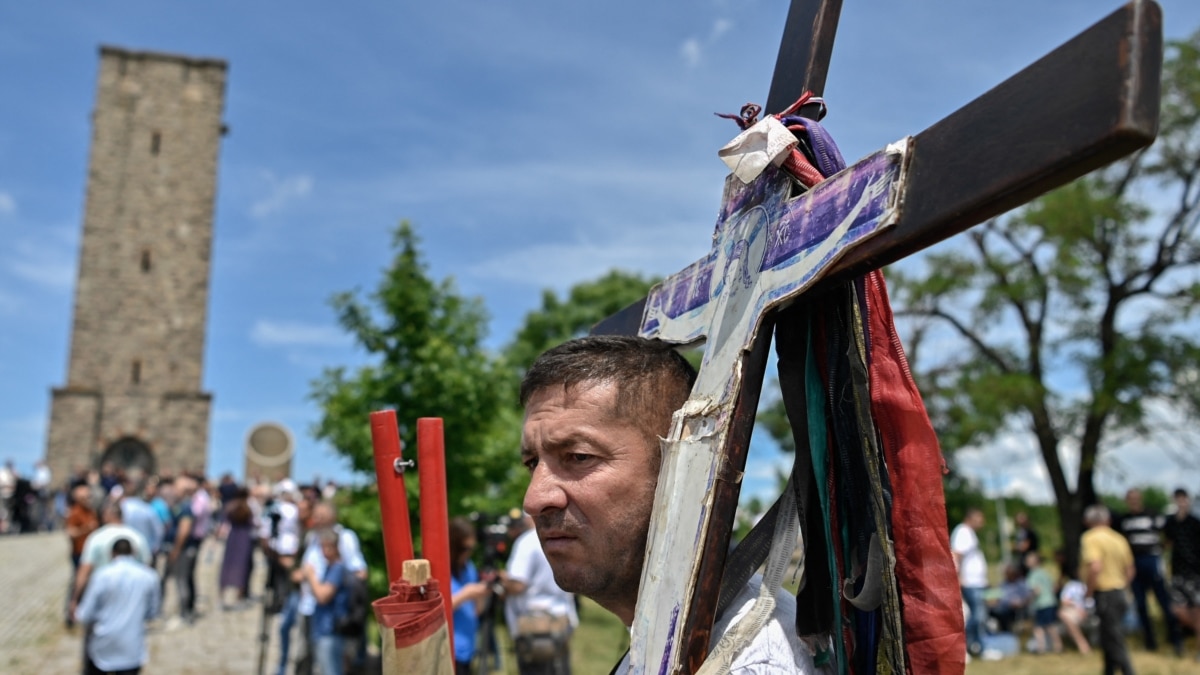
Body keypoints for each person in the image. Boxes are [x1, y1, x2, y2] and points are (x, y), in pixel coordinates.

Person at [519, 336, 818, 673]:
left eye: (579, 456)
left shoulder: (748, 662)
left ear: (681, 467)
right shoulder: (669, 637)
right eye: (532, 462)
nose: (535, 498)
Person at [502, 512, 577, 675]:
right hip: (562, 618)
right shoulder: (563, 537)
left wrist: (503, 581)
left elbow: (518, 585)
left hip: (535, 624)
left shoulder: (527, 541)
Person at [297, 501, 367, 674]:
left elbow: (359, 573)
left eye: (321, 515)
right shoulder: (312, 537)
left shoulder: (344, 542)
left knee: (331, 663)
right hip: (311, 609)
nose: (317, 519)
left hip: (332, 616)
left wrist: (331, 585)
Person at [75, 538, 161, 675]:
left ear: (112, 553)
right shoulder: (149, 576)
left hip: (102, 643)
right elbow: (153, 612)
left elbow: (85, 613)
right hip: (132, 646)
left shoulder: (102, 575)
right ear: (133, 552)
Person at [1115, 488, 1182, 654]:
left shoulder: (1152, 515)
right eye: (1131, 499)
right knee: (1140, 603)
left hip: (1152, 560)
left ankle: (1175, 638)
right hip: (1134, 562)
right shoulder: (1124, 520)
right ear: (1127, 501)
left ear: (1141, 499)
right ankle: (1150, 641)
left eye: (1136, 498)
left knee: (1163, 601)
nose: (1134, 501)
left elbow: (1168, 535)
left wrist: (1159, 550)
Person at [70, 500, 153, 621]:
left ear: (105, 516)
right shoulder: (137, 537)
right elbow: (147, 568)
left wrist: (75, 599)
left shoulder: (96, 538)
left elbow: (85, 570)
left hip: (104, 594)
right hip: (132, 597)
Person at [1081, 504, 1135, 674]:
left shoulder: (1091, 538)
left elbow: (1095, 567)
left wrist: (1088, 591)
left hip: (1105, 593)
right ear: (1107, 520)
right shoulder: (1119, 539)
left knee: (1114, 638)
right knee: (1108, 637)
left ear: (1088, 521)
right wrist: (1123, 586)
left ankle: (1129, 671)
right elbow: (1130, 569)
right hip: (1120, 592)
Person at [302, 528, 352, 675]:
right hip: (323, 628)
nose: (323, 551)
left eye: (325, 546)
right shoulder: (330, 567)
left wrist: (310, 575)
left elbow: (323, 596)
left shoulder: (337, 568)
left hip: (330, 630)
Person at [449, 516, 491, 674]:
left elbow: (477, 611)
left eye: (471, 549)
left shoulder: (469, 567)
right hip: (450, 650)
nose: (468, 553)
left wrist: (482, 592)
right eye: (465, 549)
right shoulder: (440, 569)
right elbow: (437, 610)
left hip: (468, 647)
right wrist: (467, 594)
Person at [1163, 488, 1200, 662]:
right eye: (1178, 499)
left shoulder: (1195, 522)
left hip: (1195, 573)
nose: (1181, 502)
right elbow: (1167, 543)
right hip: (1178, 572)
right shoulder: (1170, 522)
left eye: (1184, 499)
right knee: (1177, 609)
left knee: (1197, 611)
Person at [951, 507, 988, 656]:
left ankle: (978, 648)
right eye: (979, 518)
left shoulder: (969, 533)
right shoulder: (963, 532)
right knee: (978, 616)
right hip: (970, 582)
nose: (982, 522)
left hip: (977, 582)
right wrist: (959, 578)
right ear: (970, 517)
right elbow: (957, 555)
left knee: (980, 616)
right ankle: (962, 644)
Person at [64, 483, 100, 627]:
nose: (88, 500)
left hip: (90, 553)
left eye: (89, 497)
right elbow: (70, 533)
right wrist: (86, 529)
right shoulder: (75, 512)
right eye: (85, 497)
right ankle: (70, 614)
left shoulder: (91, 511)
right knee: (77, 583)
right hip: (79, 553)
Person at [218, 486, 257, 609]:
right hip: (244, 539)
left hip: (233, 538)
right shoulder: (247, 508)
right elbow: (253, 523)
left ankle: (222, 596)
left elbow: (224, 521)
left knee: (228, 566)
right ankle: (238, 597)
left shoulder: (231, 506)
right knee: (242, 567)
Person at [1024, 552, 1062, 654]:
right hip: (1050, 602)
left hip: (1041, 604)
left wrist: (1028, 600)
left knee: (1040, 627)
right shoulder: (1045, 572)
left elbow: (1036, 590)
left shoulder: (1033, 574)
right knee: (1048, 625)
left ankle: (1042, 648)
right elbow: (1054, 587)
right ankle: (1055, 646)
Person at [1012, 512, 1040, 577]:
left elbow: (1025, 546)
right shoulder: (1020, 531)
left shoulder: (1029, 531)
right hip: (1023, 559)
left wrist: (1015, 547)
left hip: (1030, 560)